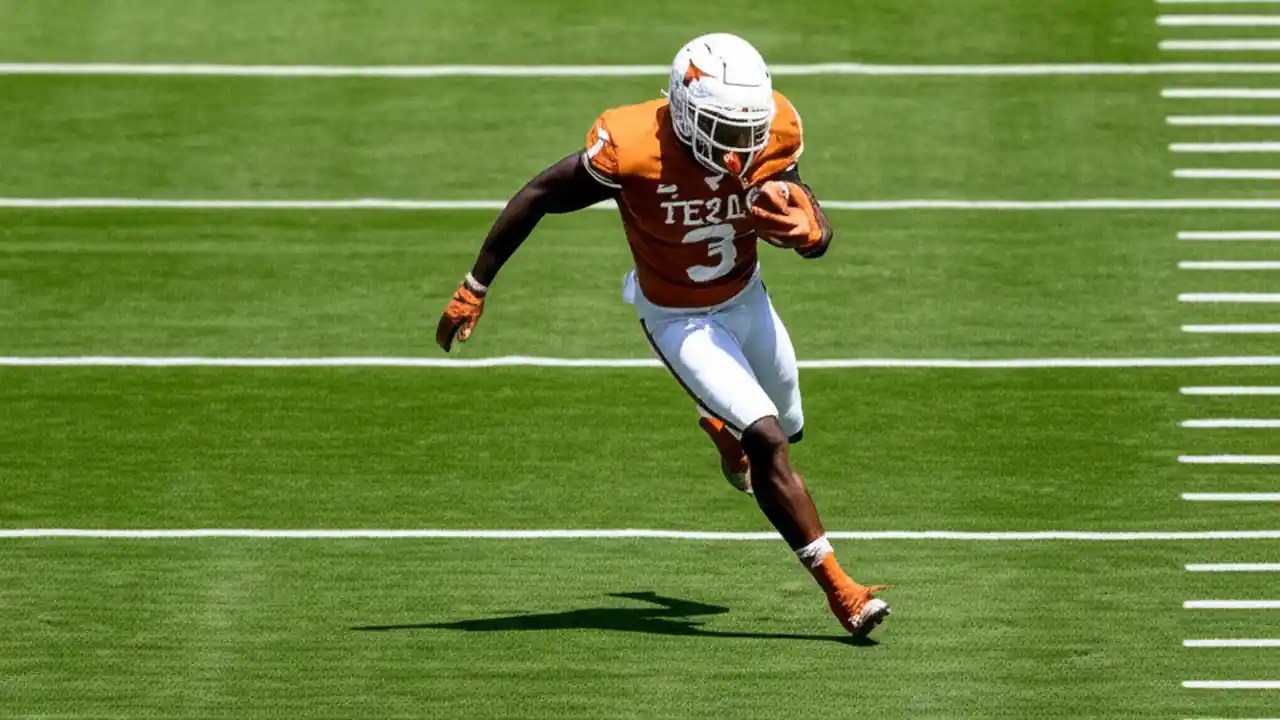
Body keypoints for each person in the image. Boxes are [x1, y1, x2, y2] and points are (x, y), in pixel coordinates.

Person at [435, 33, 889, 637]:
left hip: (748, 298)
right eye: (721, 130)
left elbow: (802, 205)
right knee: (770, 440)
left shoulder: (770, 130)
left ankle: (726, 434)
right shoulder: (631, 146)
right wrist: (476, 283)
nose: (737, 148)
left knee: (791, 426)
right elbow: (540, 194)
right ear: (682, 110)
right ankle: (842, 591)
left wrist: (816, 234)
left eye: (746, 130)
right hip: (679, 318)